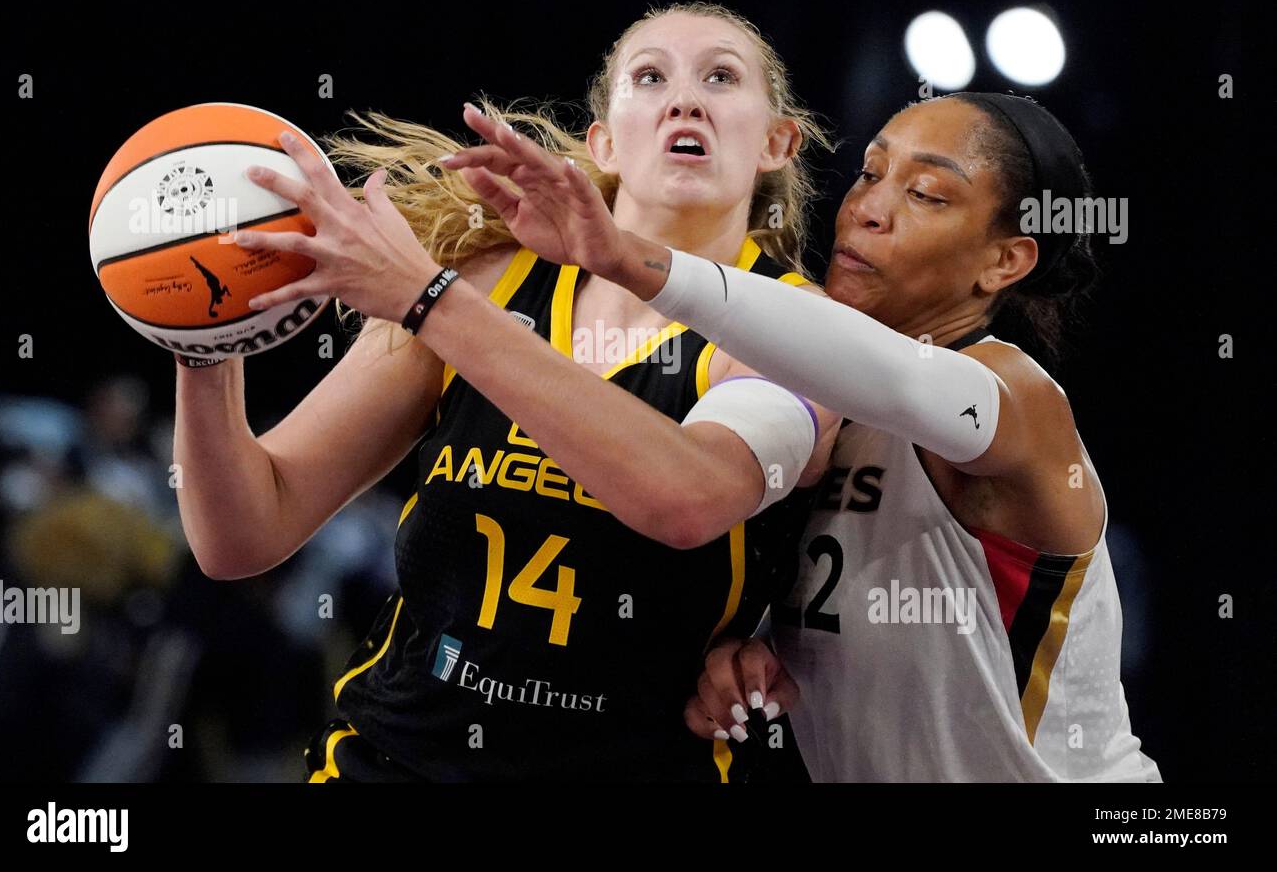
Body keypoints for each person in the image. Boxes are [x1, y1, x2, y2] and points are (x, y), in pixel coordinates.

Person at [172, 2, 841, 781]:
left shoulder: (801, 327)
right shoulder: (491, 282)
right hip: (391, 761)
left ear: (776, 142)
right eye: (650, 77)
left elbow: (686, 499)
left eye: (720, 78)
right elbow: (244, 533)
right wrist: (203, 345)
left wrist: (430, 300)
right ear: (604, 141)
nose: (684, 99)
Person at [444, 89, 1163, 781]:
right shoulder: (820, 414)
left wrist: (630, 257)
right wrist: (751, 654)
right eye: (872, 173)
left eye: (926, 195)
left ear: (1004, 261)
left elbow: (904, 379)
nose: (870, 210)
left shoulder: (1016, 395)